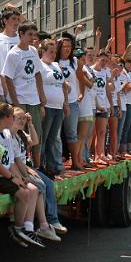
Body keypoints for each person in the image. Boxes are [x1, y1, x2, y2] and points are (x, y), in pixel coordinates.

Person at [0, 102, 43, 248]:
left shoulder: (7, 133)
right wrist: (12, 178)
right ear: (6, 117)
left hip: (6, 175)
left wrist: (18, 178)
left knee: (29, 188)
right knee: (23, 194)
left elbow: (10, 161)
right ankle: (18, 229)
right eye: (13, 116)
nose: (16, 119)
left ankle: (25, 229)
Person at [10, 107, 65, 241]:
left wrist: (30, 124)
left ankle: (50, 221)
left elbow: (35, 141)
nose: (22, 121)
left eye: (24, 118)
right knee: (40, 185)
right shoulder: (8, 135)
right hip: (22, 168)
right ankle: (43, 224)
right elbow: (15, 161)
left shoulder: (20, 134)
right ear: (10, 119)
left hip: (27, 167)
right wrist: (27, 173)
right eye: (19, 118)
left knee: (48, 183)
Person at [2, 22, 46, 167]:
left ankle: (37, 166)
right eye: (29, 34)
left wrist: (41, 96)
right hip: (20, 99)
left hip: (33, 99)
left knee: (36, 133)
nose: (32, 38)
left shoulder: (33, 51)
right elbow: (7, 77)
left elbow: (38, 74)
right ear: (21, 34)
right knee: (19, 133)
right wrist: (15, 103)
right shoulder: (13, 53)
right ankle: (22, 164)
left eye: (34, 34)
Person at [38, 39, 69, 176]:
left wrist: (66, 103)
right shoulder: (39, 65)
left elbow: (63, 85)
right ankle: (41, 164)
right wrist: (41, 105)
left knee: (53, 138)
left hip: (58, 107)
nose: (53, 55)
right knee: (43, 138)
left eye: (54, 52)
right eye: (50, 52)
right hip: (48, 106)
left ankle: (51, 165)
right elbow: (38, 85)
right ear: (43, 52)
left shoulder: (56, 65)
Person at [56, 34, 80, 167]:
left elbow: (81, 78)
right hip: (58, 102)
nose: (67, 49)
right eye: (64, 46)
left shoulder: (74, 61)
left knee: (72, 133)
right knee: (57, 133)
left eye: (69, 47)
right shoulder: (54, 62)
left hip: (72, 101)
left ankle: (75, 162)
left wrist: (80, 95)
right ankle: (58, 162)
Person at [91, 51, 112, 164]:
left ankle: (100, 154)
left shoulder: (104, 72)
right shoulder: (90, 70)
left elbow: (107, 89)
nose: (104, 63)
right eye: (102, 60)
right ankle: (92, 155)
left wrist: (111, 104)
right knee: (91, 133)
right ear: (97, 58)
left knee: (102, 131)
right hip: (93, 105)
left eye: (106, 61)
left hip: (103, 105)